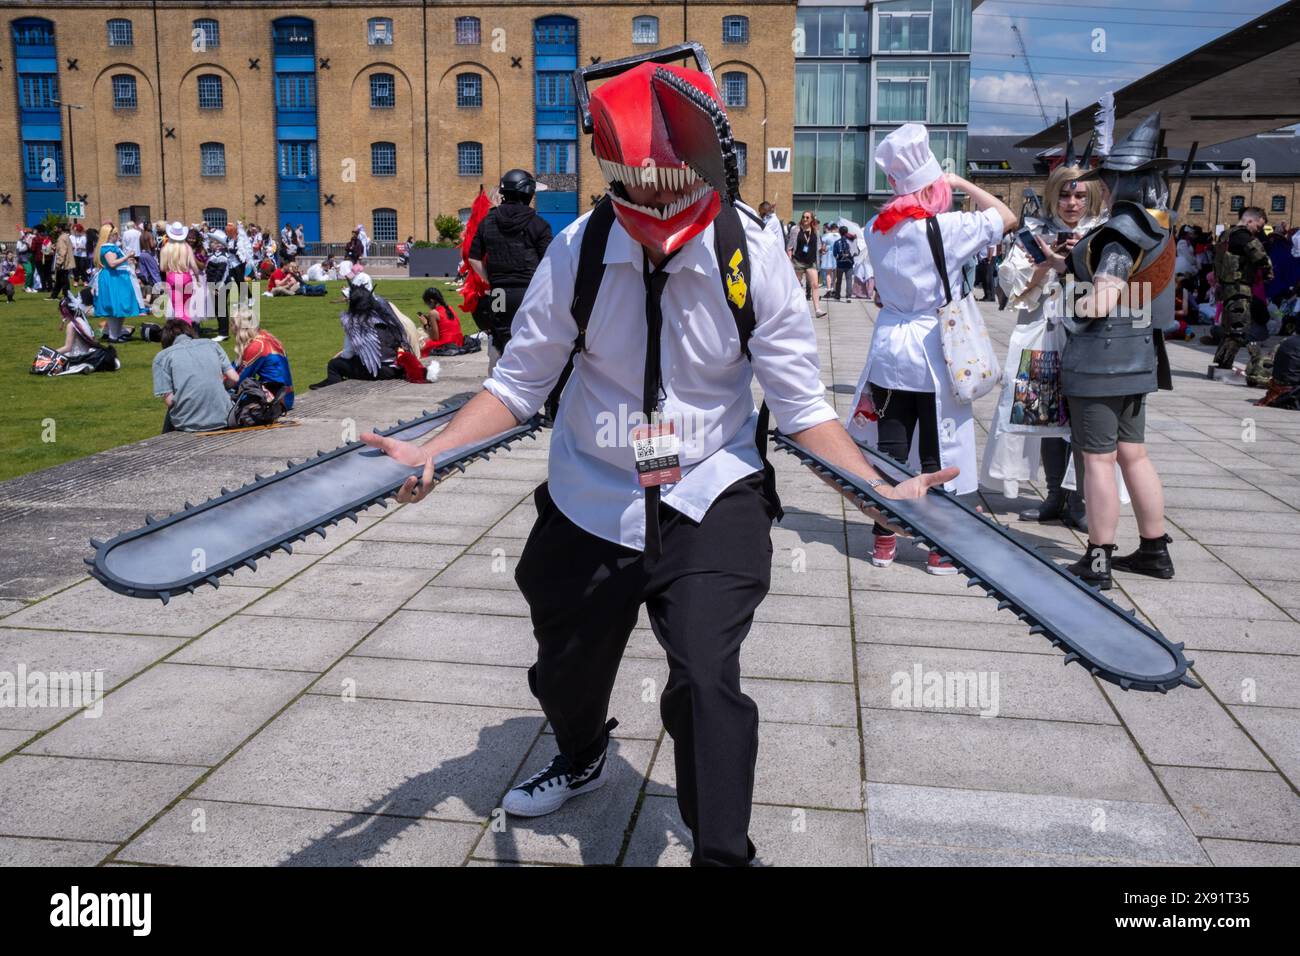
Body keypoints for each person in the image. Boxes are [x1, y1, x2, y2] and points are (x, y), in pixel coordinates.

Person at [360, 55, 952, 867]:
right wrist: (434, 451)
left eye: (677, 180)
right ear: (613, 172)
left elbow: (806, 408)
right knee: (564, 666)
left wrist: (877, 489)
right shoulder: (576, 251)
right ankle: (581, 752)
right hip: (590, 494)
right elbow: (518, 384)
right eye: (642, 183)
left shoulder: (756, 256)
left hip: (711, 492)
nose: (662, 199)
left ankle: (722, 854)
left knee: (706, 681)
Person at [848, 122, 1015, 573]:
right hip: (936, 350)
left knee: (891, 445)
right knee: (939, 448)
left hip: (889, 350)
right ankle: (941, 545)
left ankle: (883, 539)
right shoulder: (951, 227)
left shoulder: (874, 230)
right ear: (935, 187)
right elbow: (1007, 216)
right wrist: (961, 182)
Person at [1059, 113, 1180, 588]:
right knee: (1135, 455)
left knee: (1098, 460)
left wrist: (1074, 303)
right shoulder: (1158, 225)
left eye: (1107, 179)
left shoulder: (1119, 230)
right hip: (1139, 356)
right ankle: (1154, 549)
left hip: (1101, 361)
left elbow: (1107, 294)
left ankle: (1098, 557)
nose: (1102, 187)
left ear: (1121, 181)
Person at [981, 160, 1104, 531]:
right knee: (1048, 416)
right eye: (1065, 194)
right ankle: (1054, 495)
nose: (1071, 202)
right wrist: (1049, 264)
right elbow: (1011, 285)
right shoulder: (1033, 234)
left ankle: (1081, 499)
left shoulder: (1103, 234)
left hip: (1089, 335)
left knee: (1085, 421)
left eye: (1079, 194)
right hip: (1042, 333)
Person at [468, 168, 554, 374]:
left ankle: (503, 388)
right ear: (528, 192)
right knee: (532, 342)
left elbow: (473, 258)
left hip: (498, 293)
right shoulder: (538, 224)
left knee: (501, 341)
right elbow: (549, 262)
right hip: (529, 291)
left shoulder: (487, 222)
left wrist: (491, 280)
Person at [309, 279, 410, 388]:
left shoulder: (353, 321)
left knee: (334, 365)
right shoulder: (383, 315)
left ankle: (333, 388)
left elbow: (348, 353)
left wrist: (339, 357)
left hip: (381, 371)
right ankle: (329, 381)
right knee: (349, 362)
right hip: (398, 367)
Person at [1212, 207, 1274, 368]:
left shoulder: (1225, 235)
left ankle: (1221, 362)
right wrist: (1267, 273)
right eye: (1258, 227)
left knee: (1230, 329)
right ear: (1249, 221)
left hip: (1226, 288)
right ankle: (1225, 364)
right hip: (1240, 288)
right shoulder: (1244, 237)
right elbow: (1261, 258)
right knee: (1239, 329)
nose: (1258, 231)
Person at [153, 318, 238, 432]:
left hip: (189, 423)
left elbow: (169, 401)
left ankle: (164, 446)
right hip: (224, 416)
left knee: (174, 408)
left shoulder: (162, 358)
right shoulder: (212, 345)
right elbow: (234, 378)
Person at [92, 222, 143, 341]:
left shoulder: (107, 247)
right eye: (116, 234)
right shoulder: (109, 247)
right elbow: (112, 263)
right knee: (115, 308)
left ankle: (116, 334)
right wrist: (127, 256)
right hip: (113, 279)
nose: (118, 236)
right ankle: (113, 336)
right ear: (111, 235)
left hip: (115, 278)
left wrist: (127, 260)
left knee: (119, 309)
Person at [787, 211, 826, 317]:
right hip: (798, 261)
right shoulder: (796, 230)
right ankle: (793, 309)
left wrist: (822, 250)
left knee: (815, 285)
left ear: (811, 219)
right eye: (803, 217)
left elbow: (817, 246)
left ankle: (817, 310)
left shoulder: (815, 231)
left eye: (807, 217)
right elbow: (790, 247)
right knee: (797, 286)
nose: (805, 219)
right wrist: (790, 258)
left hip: (811, 262)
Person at [161, 222, 201, 324]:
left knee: (178, 309)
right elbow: (194, 266)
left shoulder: (166, 248)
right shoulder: (187, 247)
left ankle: (181, 333)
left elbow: (162, 267)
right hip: (186, 277)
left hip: (173, 277)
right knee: (186, 309)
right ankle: (188, 330)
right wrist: (198, 279)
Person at [416, 286, 465, 354]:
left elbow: (435, 338)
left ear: (431, 301)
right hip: (458, 341)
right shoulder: (449, 308)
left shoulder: (433, 313)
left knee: (420, 346)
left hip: (446, 344)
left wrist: (425, 324)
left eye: (427, 303)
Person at [49, 223, 74, 301]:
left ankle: (67, 296)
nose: (54, 229)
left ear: (60, 229)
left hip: (63, 263)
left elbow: (62, 251)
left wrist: (59, 262)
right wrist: (54, 246)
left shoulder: (62, 238)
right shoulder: (65, 237)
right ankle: (54, 295)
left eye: (56, 228)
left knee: (64, 280)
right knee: (60, 279)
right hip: (65, 262)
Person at [832, 226, 856, 301]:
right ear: (847, 232)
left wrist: (838, 258)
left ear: (839, 232)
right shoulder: (851, 241)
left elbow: (834, 253)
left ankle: (837, 295)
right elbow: (855, 252)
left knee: (838, 280)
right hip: (849, 264)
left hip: (840, 264)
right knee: (849, 280)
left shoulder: (837, 242)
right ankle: (848, 296)